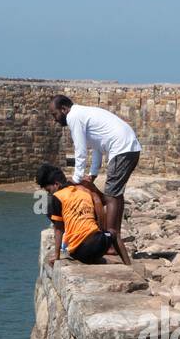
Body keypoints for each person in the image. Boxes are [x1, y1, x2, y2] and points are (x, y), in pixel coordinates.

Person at [48, 95, 141, 248]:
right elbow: (97, 146)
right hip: (130, 148)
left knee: (111, 196)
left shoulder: (74, 116)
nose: (54, 119)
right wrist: (92, 173)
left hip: (122, 149)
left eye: (55, 114)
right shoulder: (83, 114)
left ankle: (110, 244)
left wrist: (77, 178)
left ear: (64, 109)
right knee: (116, 195)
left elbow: (80, 149)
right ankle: (116, 237)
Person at [36, 163, 131, 267]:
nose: (50, 194)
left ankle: (98, 260)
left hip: (81, 252)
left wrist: (57, 255)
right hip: (102, 243)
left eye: (49, 190)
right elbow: (101, 204)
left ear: (56, 184)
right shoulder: (84, 190)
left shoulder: (57, 197)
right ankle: (128, 264)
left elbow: (58, 229)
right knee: (113, 232)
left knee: (52, 213)